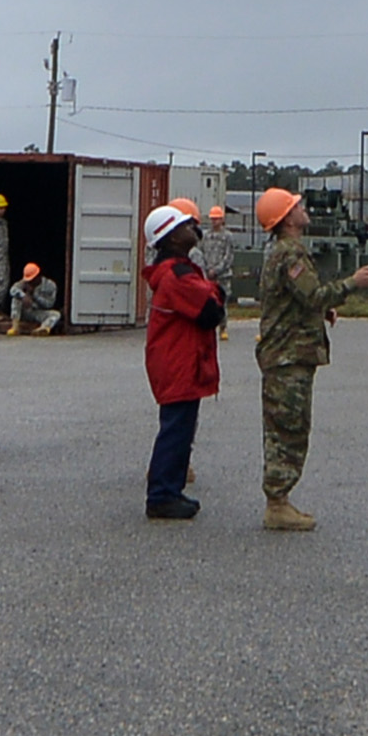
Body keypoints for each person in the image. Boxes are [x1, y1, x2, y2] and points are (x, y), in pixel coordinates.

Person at [249, 184, 339, 531]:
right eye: (297, 206)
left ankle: (280, 500)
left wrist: (321, 311)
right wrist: (352, 284)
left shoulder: (286, 252)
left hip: (288, 353)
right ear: (287, 219)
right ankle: (277, 502)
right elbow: (313, 294)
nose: (305, 210)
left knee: (287, 426)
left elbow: (299, 300)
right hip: (288, 355)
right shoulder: (290, 255)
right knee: (288, 428)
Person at [140, 203, 224, 521]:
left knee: (180, 428)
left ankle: (170, 491)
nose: (194, 230)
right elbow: (211, 312)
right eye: (186, 226)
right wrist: (215, 292)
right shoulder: (178, 276)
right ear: (172, 237)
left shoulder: (177, 272)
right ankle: (161, 495)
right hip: (179, 363)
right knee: (176, 430)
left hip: (177, 361)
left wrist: (212, 293)